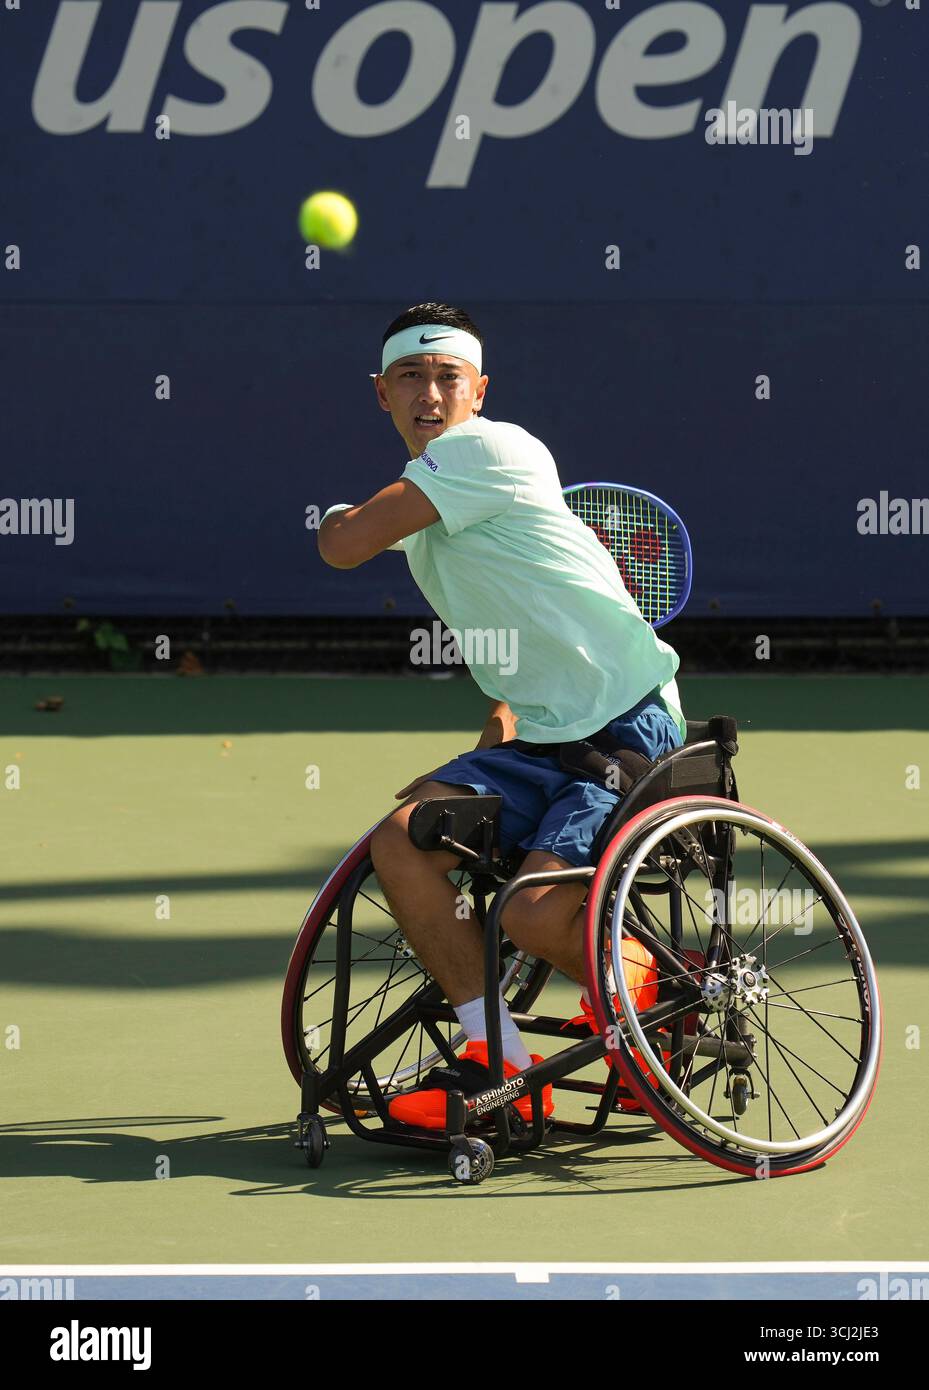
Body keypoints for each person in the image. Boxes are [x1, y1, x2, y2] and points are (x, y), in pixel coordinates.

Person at [317, 302, 685, 1128]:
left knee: (527, 909)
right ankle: (502, 1057)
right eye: (410, 376)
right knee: (403, 839)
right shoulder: (432, 508)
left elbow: (343, 545)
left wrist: (336, 518)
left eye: (449, 377)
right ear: (382, 393)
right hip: (544, 737)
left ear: (478, 392)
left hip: (627, 724)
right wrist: (500, 718)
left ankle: (643, 978)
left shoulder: (489, 448)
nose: (430, 393)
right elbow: (517, 613)